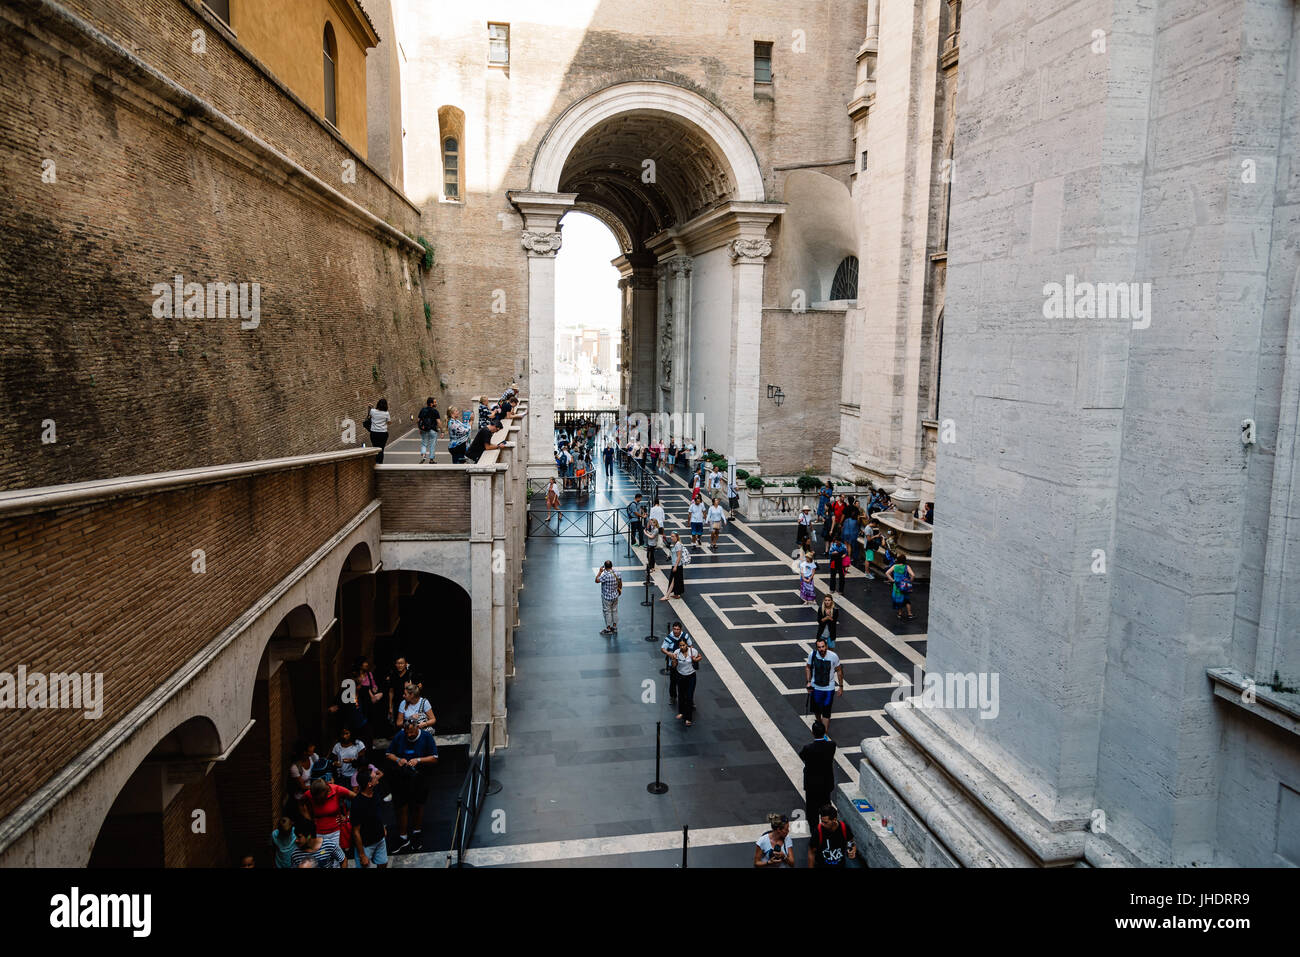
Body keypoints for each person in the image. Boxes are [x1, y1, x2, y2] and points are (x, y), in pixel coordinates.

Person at [385, 722, 439, 853]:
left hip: (420, 777)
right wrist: (398, 760)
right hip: (402, 777)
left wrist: (418, 760)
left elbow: (435, 758)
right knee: (401, 806)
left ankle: (416, 833)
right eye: (407, 733)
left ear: (417, 728)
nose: (409, 735)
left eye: (411, 732)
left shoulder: (426, 737)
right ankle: (403, 837)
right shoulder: (400, 736)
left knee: (418, 805)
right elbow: (388, 754)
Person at [307, 776, 355, 864]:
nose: (318, 800)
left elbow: (356, 798)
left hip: (335, 832)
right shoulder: (311, 793)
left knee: (336, 859)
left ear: (325, 792)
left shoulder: (336, 789)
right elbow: (301, 803)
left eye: (320, 797)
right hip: (318, 833)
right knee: (321, 859)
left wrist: (348, 816)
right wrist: (309, 818)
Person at [350, 765, 388, 868]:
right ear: (369, 784)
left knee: (383, 863)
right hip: (366, 844)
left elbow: (377, 814)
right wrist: (362, 855)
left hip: (380, 839)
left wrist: (382, 827)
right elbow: (356, 831)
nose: (376, 775)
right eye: (374, 775)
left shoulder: (375, 793)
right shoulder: (357, 803)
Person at [804, 637, 844, 731]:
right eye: (819, 647)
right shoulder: (812, 655)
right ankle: (819, 724)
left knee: (826, 712)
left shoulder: (833, 656)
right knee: (817, 710)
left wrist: (841, 687)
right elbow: (808, 667)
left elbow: (839, 671)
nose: (821, 649)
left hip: (828, 689)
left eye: (823, 646)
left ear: (826, 646)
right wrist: (808, 682)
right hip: (815, 687)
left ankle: (824, 733)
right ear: (817, 648)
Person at [799, 720, 837, 817]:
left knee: (812, 810)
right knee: (826, 806)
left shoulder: (808, 748)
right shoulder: (832, 746)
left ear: (812, 732)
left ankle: (814, 828)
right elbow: (828, 742)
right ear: (824, 732)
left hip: (812, 783)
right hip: (826, 782)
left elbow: (802, 756)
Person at [666, 634, 702, 726]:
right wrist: (674, 660)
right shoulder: (677, 652)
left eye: (683, 645)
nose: (682, 647)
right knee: (681, 696)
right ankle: (681, 712)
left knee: (689, 697)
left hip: (691, 677)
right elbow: (674, 666)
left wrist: (695, 659)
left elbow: (700, 657)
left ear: (687, 645)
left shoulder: (692, 651)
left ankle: (688, 718)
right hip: (680, 676)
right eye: (680, 645)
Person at [808, 804, 857, 869]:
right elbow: (811, 852)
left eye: (825, 822)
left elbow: (851, 842)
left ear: (834, 820)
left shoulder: (844, 828)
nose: (822, 824)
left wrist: (853, 851)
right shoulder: (818, 831)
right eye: (821, 821)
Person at [660, 622, 694, 704]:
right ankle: (673, 696)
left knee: (686, 682)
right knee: (673, 681)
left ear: (680, 630)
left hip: (684, 664)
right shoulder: (669, 638)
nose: (676, 631)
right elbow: (663, 648)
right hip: (674, 664)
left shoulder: (685, 636)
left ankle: (688, 699)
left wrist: (689, 655)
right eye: (674, 629)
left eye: (677, 629)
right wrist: (669, 654)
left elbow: (690, 646)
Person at [385, 657, 422, 730]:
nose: (399, 665)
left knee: (411, 722)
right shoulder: (393, 675)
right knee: (398, 723)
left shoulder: (410, 675)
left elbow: (419, 687)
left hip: (409, 703)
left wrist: (412, 686)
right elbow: (391, 691)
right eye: (398, 663)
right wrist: (390, 706)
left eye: (401, 663)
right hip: (397, 702)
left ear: (406, 664)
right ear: (395, 664)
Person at [596, 559, 622, 635]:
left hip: (607, 597)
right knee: (615, 611)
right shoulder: (617, 573)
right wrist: (619, 591)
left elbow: (596, 580)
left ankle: (608, 629)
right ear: (611, 566)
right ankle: (614, 627)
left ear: (604, 567)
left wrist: (600, 571)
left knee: (607, 612)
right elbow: (620, 583)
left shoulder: (605, 575)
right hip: (615, 595)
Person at [888, 551, 916, 620]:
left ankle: (900, 614)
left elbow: (887, 573)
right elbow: (913, 575)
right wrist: (910, 581)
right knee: (906, 600)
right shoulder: (907, 567)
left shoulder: (895, 566)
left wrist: (892, 580)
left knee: (899, 599)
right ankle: (909, 614)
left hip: (897, 585)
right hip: (904, 585)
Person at [662, 532, 687, 601]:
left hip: (677, 565)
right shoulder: (675, 544)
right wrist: (669, 556)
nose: (671, 538)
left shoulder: (678, 544)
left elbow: (679, 556)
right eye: (671, 536)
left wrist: (675, 566)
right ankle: (677, 594)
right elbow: (675, 554)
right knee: (676, 580)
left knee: (672, 580)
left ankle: (667, 595)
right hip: (676, 565)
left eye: (673, 536)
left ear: (676, 537)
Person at [365, 398, 390, 464]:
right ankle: (380, 463)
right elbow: (389, 422)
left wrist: (371, 407)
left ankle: (375, 462)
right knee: (381, 449)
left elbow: (369, 416)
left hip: (374, 433)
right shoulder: (386, 413)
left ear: (378, 404)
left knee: (375, 448)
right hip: (383, 433)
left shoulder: (372, 411)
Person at [417, 397, 441, 464]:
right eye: (435, 402)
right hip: (433, 430)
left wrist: (419, 428)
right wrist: (442, 431)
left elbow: (418, 420)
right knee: (432, 445)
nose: (436, 403)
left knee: (424, 444)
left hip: (424, 430)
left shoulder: (423, 410)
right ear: (431, 404)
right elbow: (439, 422)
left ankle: (424, 456)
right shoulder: (435, 411)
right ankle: (431, 460)